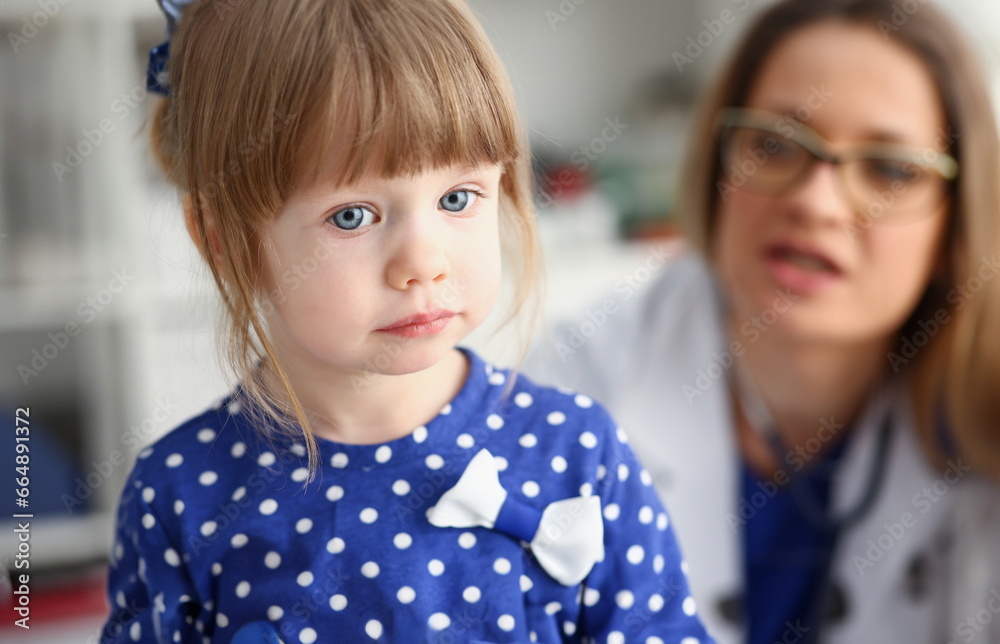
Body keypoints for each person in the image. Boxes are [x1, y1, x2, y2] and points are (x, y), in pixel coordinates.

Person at [99, 1, 716, 643]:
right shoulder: (179, 497)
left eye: (458, 198)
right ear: (223, 239)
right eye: (352, 216)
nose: (424, 263)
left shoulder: (579, 456)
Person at [526, 1, 1000, 643]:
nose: (816, 202)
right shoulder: (564, 385)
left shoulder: (982, 422)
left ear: (955, 228)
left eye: (890, 169)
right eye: (775, 144)